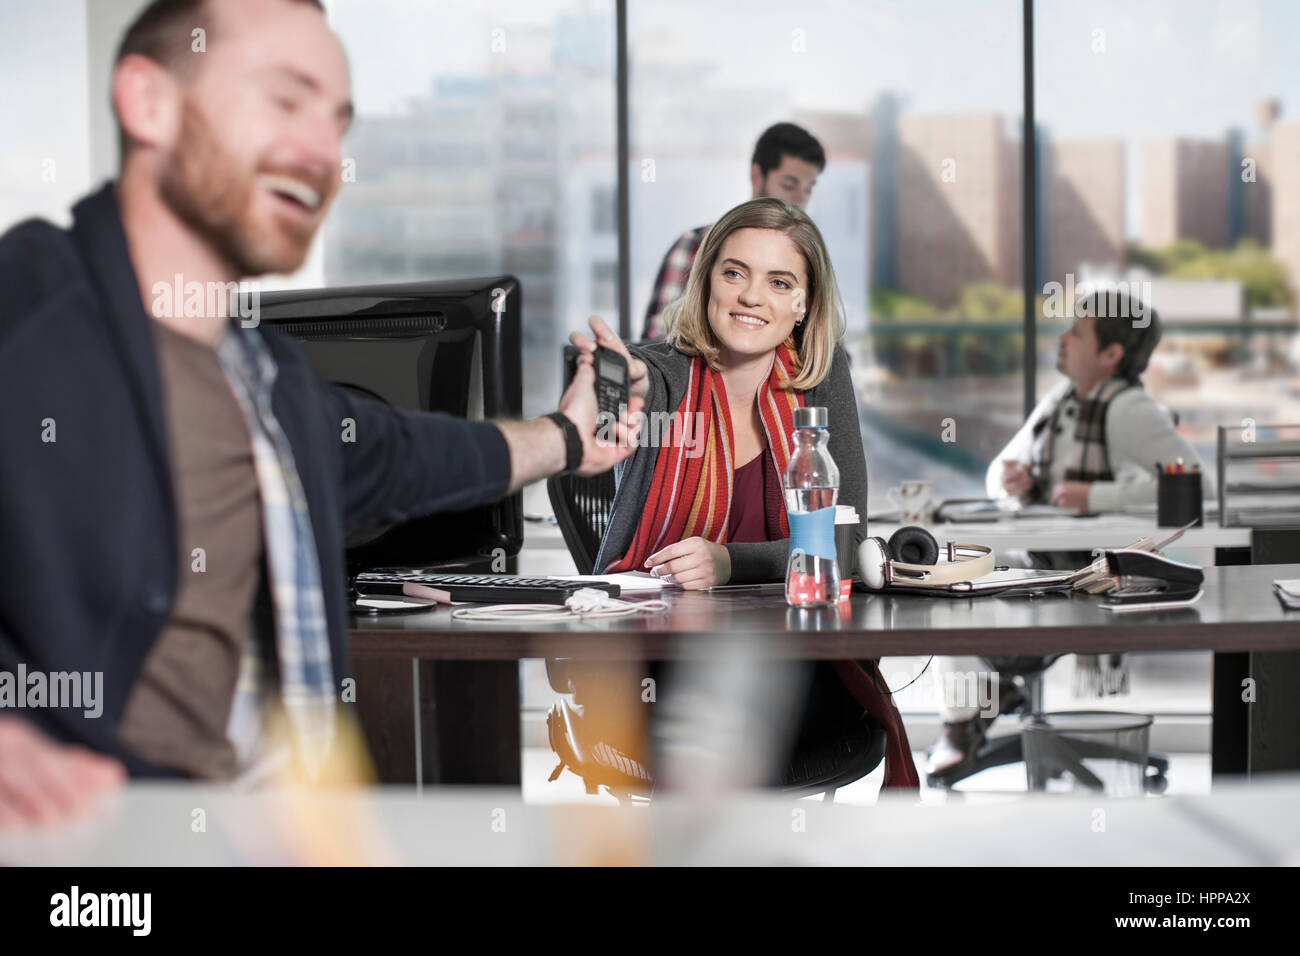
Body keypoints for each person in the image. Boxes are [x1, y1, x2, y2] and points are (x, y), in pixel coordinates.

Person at [0, 0, 642, 828]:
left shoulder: (265, 381)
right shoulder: (30, 302)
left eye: (337, 122)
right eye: (283, 99)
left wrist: (563, 438)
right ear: (148, 100)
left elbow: (408, 455)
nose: (321, 154)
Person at [570, 197, 918, 790]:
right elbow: (635, 388)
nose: (752, 297)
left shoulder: (821, 378)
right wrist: (619, 386)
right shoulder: (662, 375)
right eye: (734, 273)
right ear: (707, 282)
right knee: (717, 720)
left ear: (803, 303)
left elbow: (841, 540)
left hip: (801, 663)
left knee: (754, 710)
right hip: (662, 663)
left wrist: (727, 562)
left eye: (779, 282)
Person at [927, 289, 1210, 778]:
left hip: (1084, 580)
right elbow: (998, 473)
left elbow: (1193, 483)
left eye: (1077, 332)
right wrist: (1018, 483)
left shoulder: (1128, 410)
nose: (1063, 338)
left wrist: (1092, 498)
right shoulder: (1061, 400)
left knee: (952, 591)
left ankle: (966, 720)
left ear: (1111, 355)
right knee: (949, 575)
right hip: (1040, 560)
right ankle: (988, 701)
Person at [639, 122, 825, 341]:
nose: (799, 199)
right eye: (788, 185)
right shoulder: (696, 243)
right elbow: (657, 342)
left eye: (807, 189)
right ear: (757, 177)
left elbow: (827, 348)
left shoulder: (808, 255)